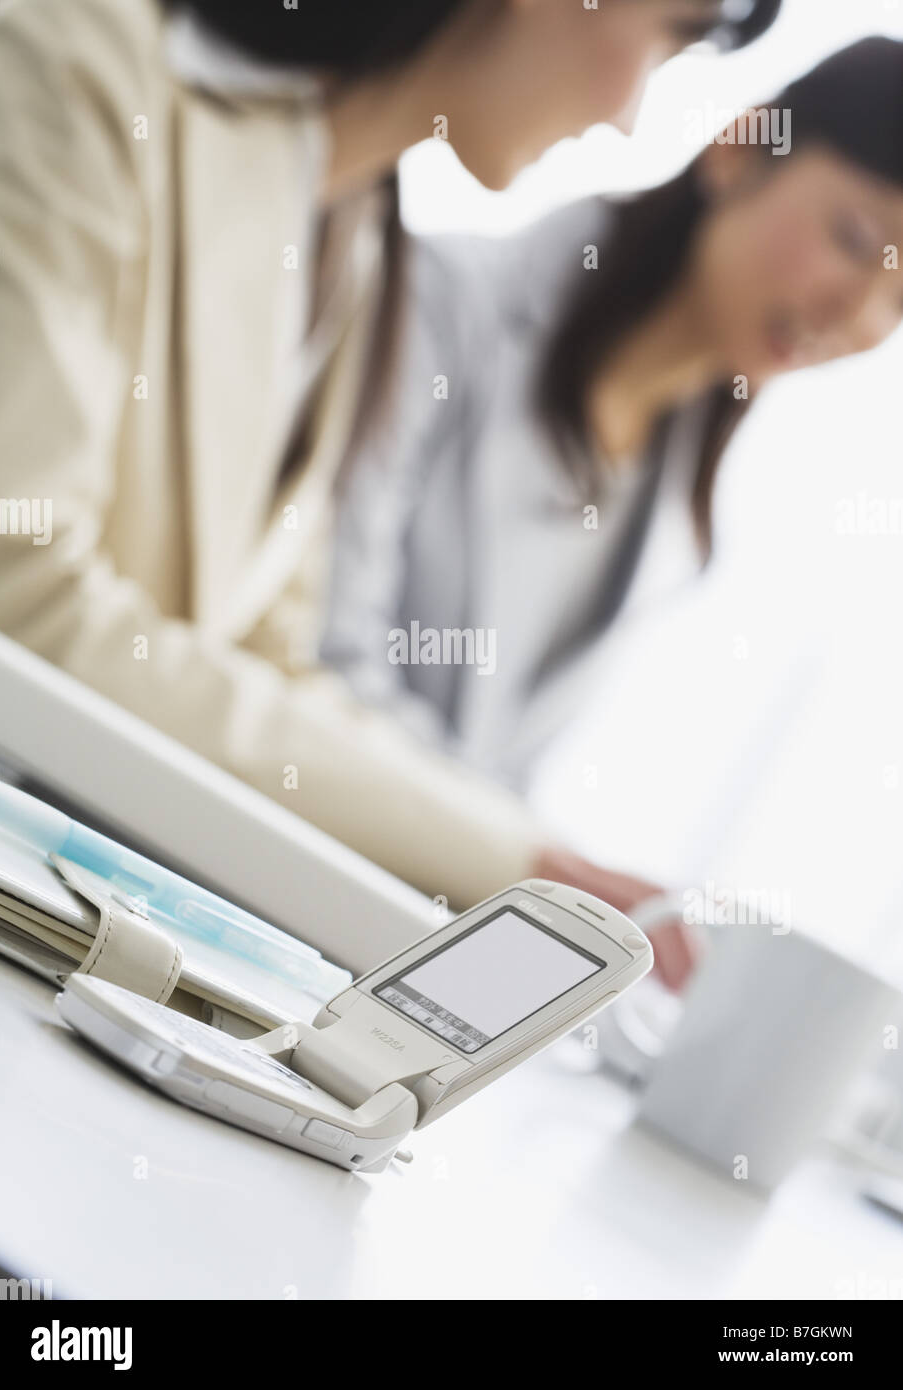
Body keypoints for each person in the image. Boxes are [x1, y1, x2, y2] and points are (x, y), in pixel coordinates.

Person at [0, 0, 783, 960]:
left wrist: (529, 864)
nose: (626, 119)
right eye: (667, 37)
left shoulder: (357, 242)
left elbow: (274, 660)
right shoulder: (89, 65)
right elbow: (14, 589)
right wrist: (505, 857)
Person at [324, 37, 903, 986]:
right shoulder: (434, 302)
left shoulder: (678, 508)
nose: (857, 311)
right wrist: (534, 866)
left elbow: (486, 770)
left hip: (369, 966)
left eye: (901, 298)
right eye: (853, 239)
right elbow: (311, 666)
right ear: (740, 149)